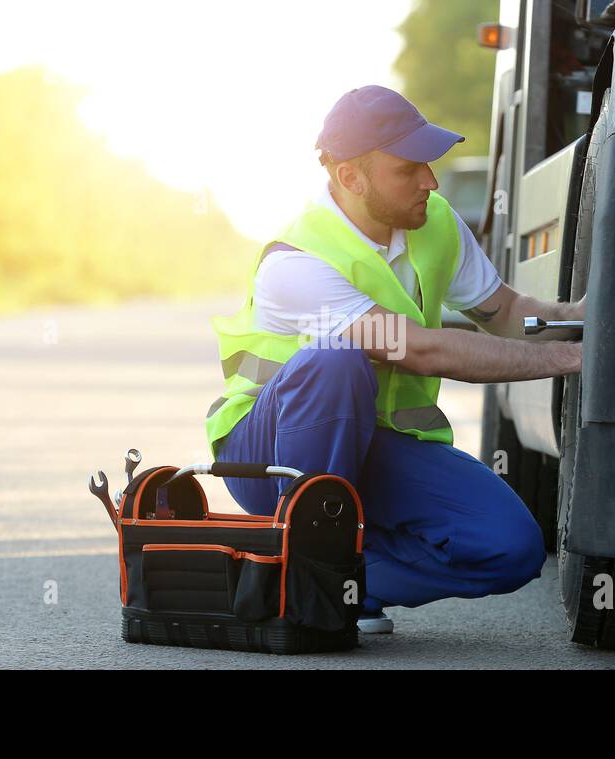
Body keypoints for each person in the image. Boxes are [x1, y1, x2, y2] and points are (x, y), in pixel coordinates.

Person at [207, 85, 585, 634]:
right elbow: (418, 348)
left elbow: (505, 312)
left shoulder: (433, 221)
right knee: (336, 360)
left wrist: (583, 322)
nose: (430, 181)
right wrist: (573, 361)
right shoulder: (297, 263)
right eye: (409, 168)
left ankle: (338, 580)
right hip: (270, 453)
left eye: (429, 164)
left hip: (375, 444)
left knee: (512, 546)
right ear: (350, 178)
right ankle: (304, 566)